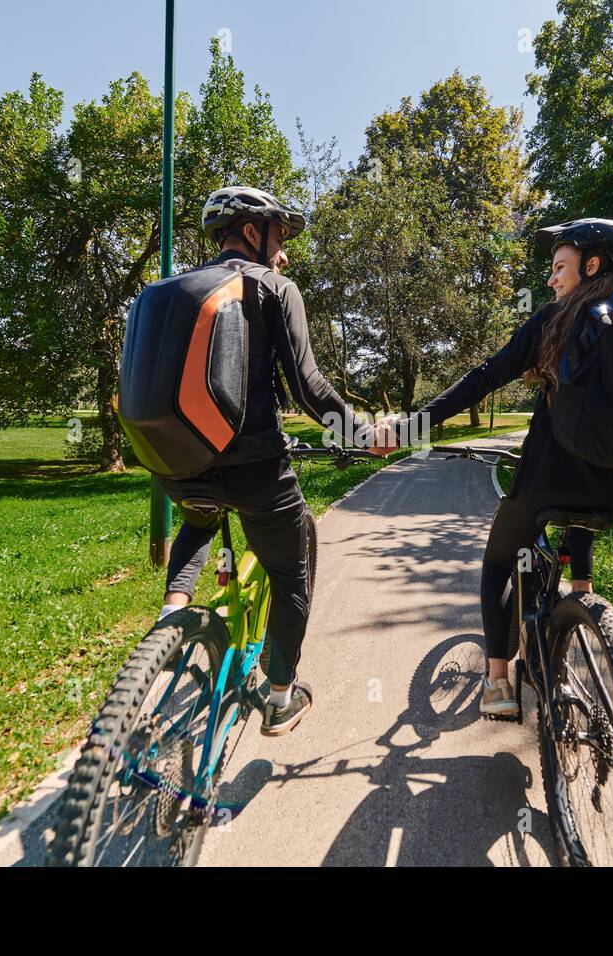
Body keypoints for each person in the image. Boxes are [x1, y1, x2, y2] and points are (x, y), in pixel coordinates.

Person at [150, 186, 394, 736]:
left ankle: (170, 620)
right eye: (280, 237)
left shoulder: (173, 289)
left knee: (198, 516)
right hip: (257, 467)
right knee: (291, 571)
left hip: (176, 463)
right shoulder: (273, 288)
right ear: (254, 232)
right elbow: (308, 387)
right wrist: (360, 432)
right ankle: (281, 695)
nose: (283, 253)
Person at [390, 218, 613, 717]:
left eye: (559, 267)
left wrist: (410, 426)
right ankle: (582, 615)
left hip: (546, 478)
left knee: (499, 562)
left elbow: (486, 375)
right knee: (577, 517)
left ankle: (499, 684)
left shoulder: (555, 319)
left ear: (591, 266)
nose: (551, 279)